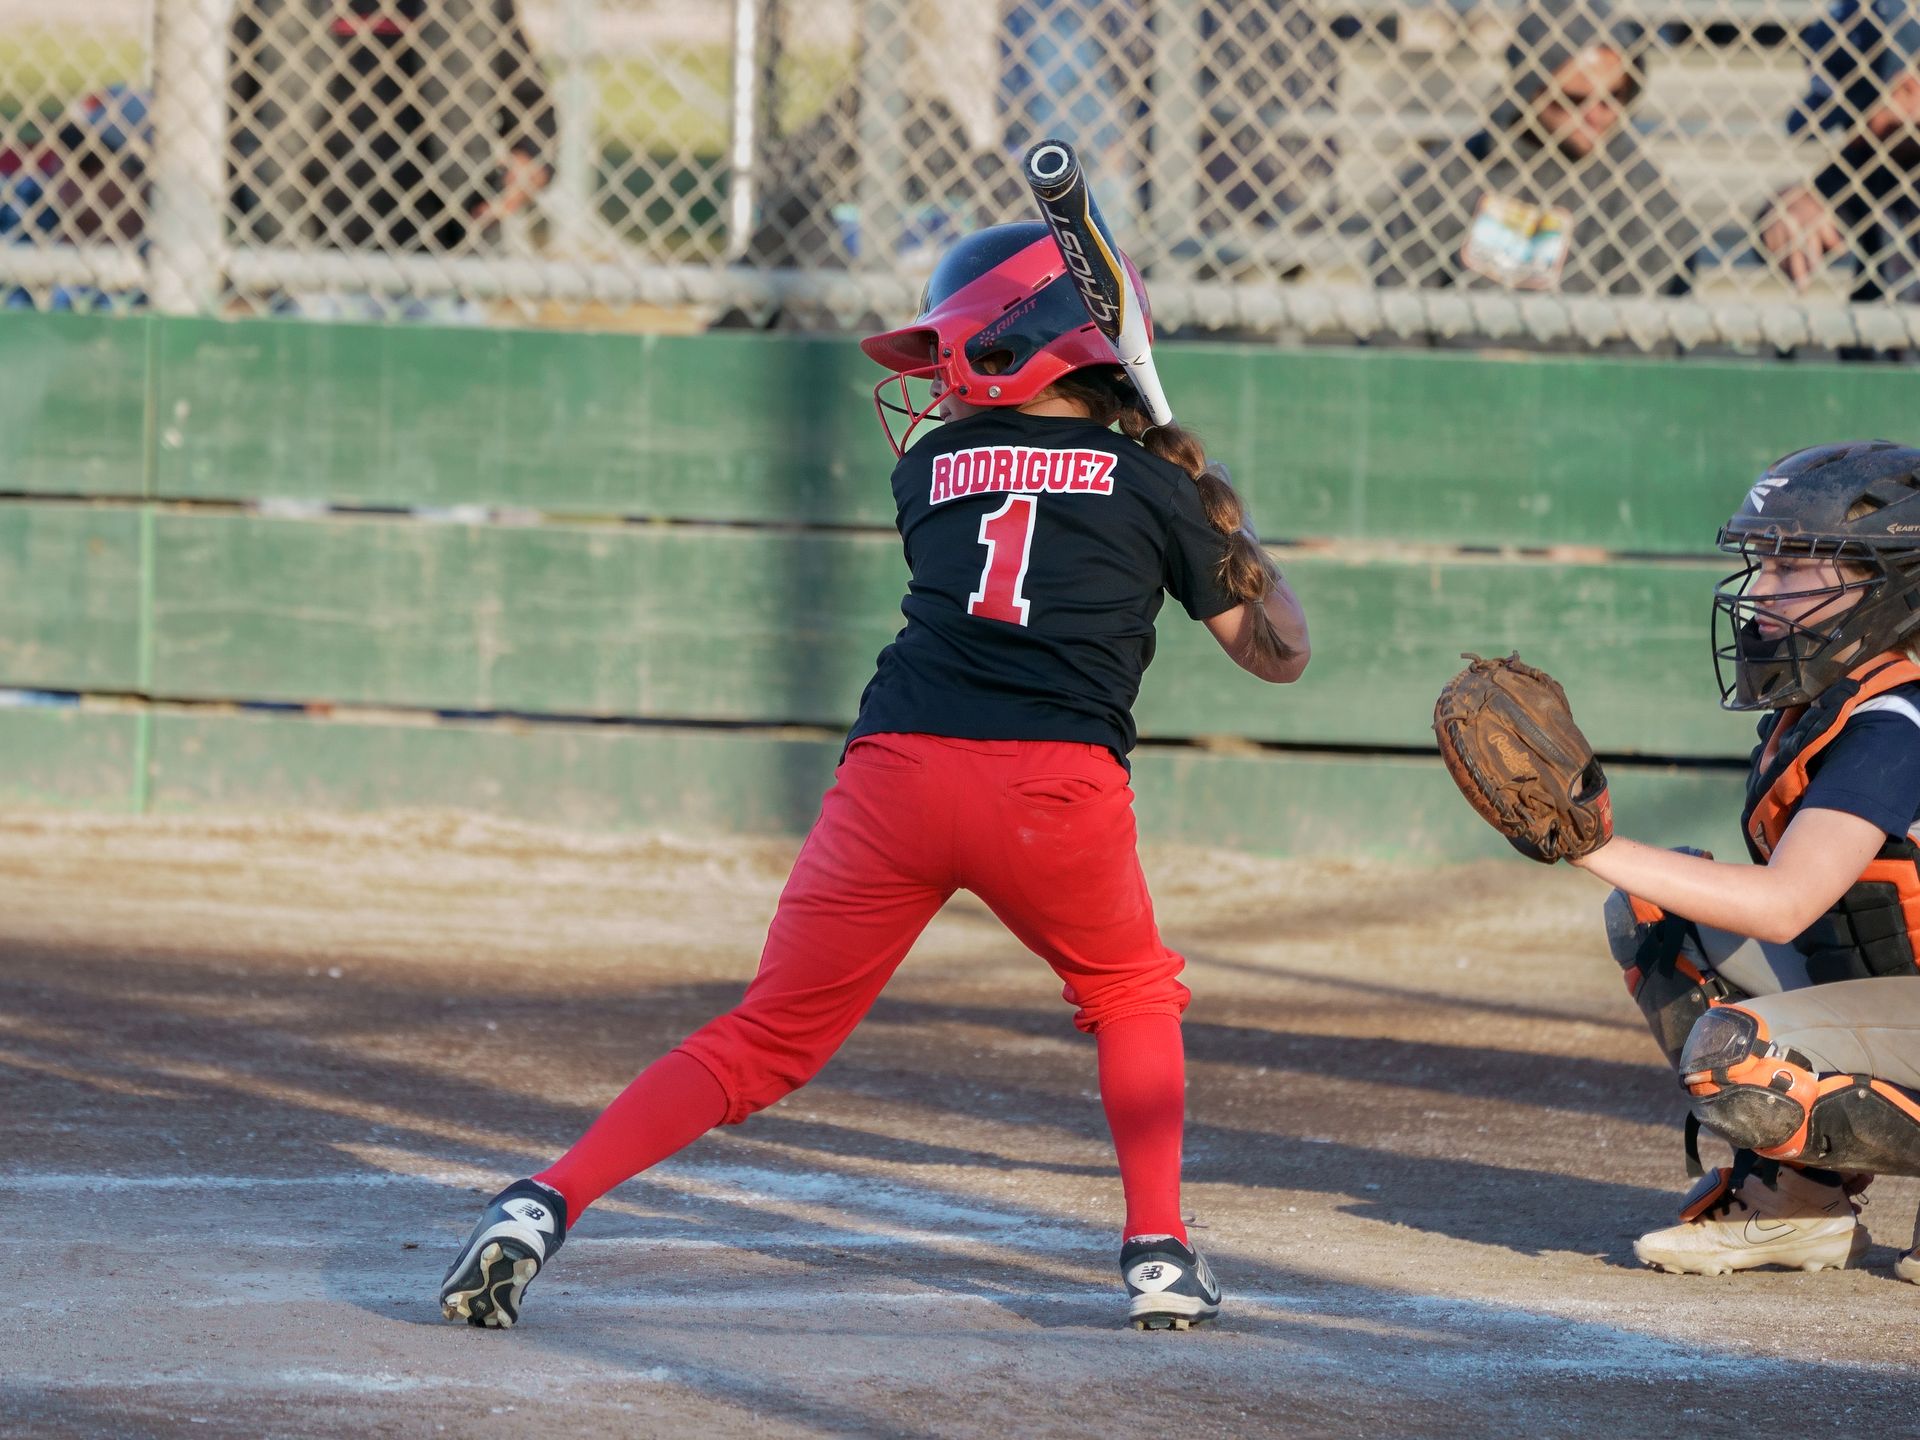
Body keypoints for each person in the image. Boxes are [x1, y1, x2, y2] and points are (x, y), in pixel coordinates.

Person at [438, 221, 1311, 1331]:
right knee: (1130, 993)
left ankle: (540, 1200)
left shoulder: (931, 471)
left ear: (1019, 349)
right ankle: (1159, 1255)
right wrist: (1224, 518)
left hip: (892, 777)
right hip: (1054, 793)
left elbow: (1028, 501)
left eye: (960, 356)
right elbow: (1279, 657)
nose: (943, 384)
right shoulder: (1156, 486)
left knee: (765, 1039)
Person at [1576, 440, 1920, 1275]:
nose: (1762, 593)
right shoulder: (1828, 708)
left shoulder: (1897, 721)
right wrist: (1603, 854)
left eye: (1793, 567)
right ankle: (1798, 1202)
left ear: (1888, 584)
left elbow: (1784, 904)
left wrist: (1592, 846)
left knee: (1738, 1054)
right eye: (1762, 563)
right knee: (1660, 912)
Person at [1370, 0, 1699, 297]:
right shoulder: (1448, 175)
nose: (1596, 115)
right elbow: (1395, 316)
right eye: (1575, 99)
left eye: (1615, 96)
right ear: (1530, 87)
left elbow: (1645, 343)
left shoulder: (1643, 194)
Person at [229, 0, 555, 257]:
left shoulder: (469, 6)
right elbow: (228, 106)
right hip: (303, 249)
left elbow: (532, 105)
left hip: (444, 251)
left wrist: (527, 169)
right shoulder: (276, 6)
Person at [1760, 0, 1920, 307]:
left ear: (1908, 89)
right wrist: (1785, 206)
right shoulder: (1877, 155)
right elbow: (1809, 205)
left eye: (1860, 113)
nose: (1852, 134)